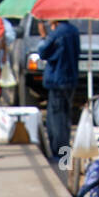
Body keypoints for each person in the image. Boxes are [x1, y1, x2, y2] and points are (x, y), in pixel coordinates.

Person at [36, 18, 80, 156]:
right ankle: (63, 154)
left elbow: (43, 52)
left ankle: (60, 155)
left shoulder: (57, 33)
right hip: (70, 79)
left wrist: (43, 36)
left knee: (57, 120)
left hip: (58, 80)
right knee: (64, 119)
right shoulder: (74, 31)